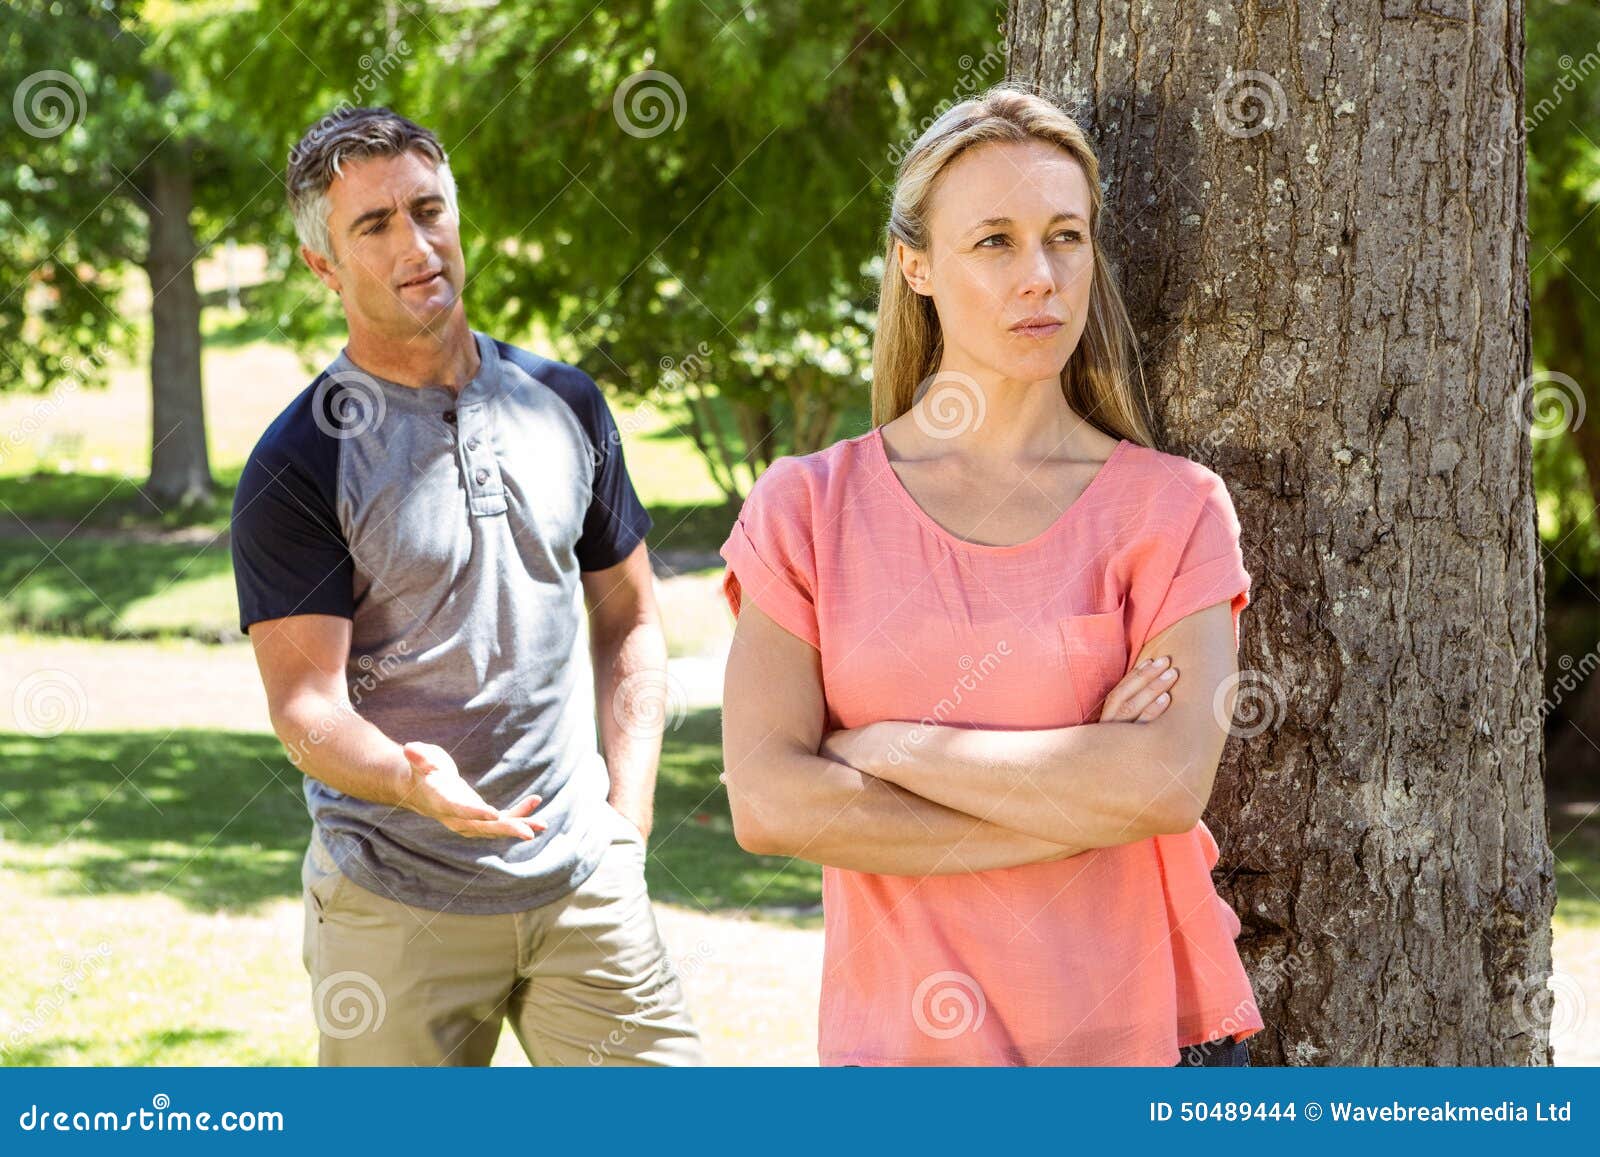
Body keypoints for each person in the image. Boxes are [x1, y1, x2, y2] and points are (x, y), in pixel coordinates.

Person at [719, 85, 1260, 1067]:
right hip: (895, 1065)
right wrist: (1080, 797)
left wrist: (885, 746)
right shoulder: (806, 508)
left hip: (1129, 1053)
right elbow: (769, 804)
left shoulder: (1173, 508)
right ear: (915, 265)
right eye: (995, 242)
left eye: (1065, 236)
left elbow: (1167, 783)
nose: (1040, 276)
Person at [231, 107, 702, 1066]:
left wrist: (628, 826)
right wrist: (411, 779)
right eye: (375, 226)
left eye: (429, 208)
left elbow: (632, 617)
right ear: (325, 267)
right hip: (398, 898)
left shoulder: (564, 402)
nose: (416, 243)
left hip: (585, 885)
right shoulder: (301, 460)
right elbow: (305, 706)